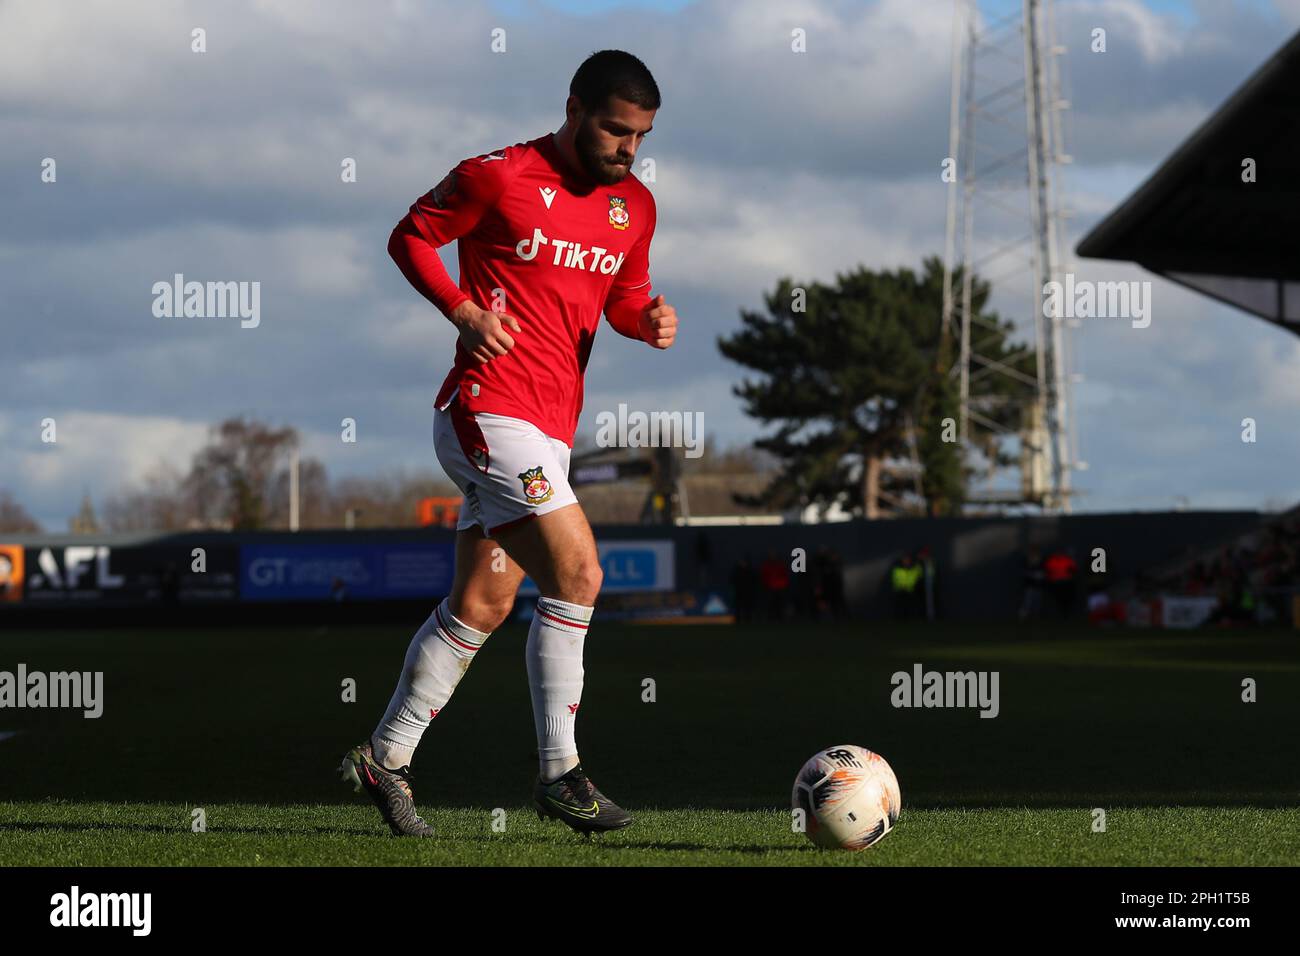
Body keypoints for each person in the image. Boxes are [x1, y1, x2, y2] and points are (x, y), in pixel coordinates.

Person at [340, 51, 675, 838]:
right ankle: (561, 774)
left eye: (641, 137)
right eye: (614, 129)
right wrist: (461, 310)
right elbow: (411, 237)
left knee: (484, 605)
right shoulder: (498, 175)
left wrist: (647, 319)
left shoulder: (636, 207)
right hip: (487, 412)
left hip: (548, 432)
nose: (627, 149)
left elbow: (622, 298)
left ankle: (384, 757)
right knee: (579, 572)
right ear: (573, 107)